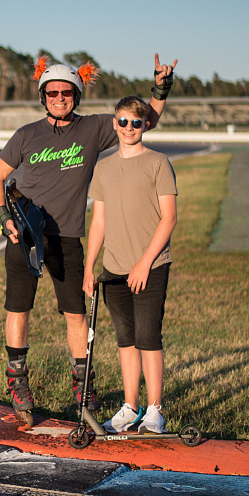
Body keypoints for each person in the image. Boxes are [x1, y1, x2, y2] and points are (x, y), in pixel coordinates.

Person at [0, 54, 176, 426]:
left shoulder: (93, 129)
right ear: (43, 96)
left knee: (76, 314)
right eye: (52, 93)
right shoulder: (26, 134)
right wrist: (4, 217)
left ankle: (82, 384)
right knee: (18, 309)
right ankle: (18, 380)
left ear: (76, 95)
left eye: (67, 93)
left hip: (67, 236)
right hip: (25, 234)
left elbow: (142, 120)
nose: (60, 98)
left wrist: (160, 89)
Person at [83, 95, 178, 435]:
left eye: (136, 123)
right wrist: (89, 268)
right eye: (123, 121)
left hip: (150, 266)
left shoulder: (158, 162)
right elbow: (98, 222)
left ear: (146, 125)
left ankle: (154, 411)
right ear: (115, 123)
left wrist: (144, 263)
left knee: (148, 336)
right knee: (125, 339)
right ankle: (130, 407)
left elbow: (169, 219)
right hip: (114, 268)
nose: (129, 128)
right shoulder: (104, 167)